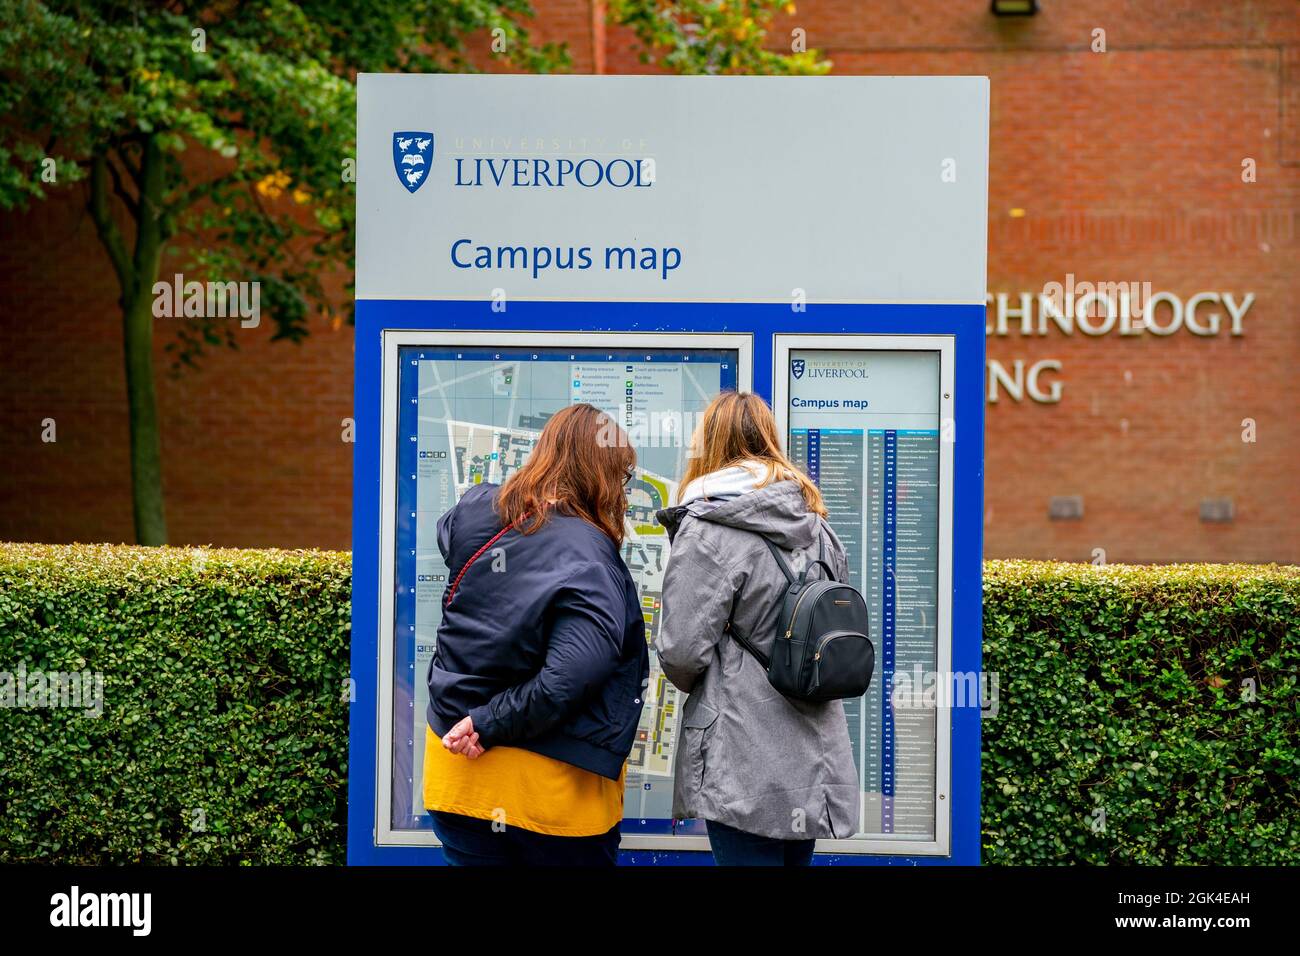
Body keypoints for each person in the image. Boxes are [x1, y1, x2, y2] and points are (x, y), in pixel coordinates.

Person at [423, 403, 649, 866]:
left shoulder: (475, 510)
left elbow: (448, 534)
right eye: (622, 479)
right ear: (602, 477)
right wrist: (488, 723)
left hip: (456, 786)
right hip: (549, 802)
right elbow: (568, 679)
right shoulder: (590, 556)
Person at [655, 391, 860, 866]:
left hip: (742, 754)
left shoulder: (708, 528)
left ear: (707, 445)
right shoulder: (817, 526)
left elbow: (682, 651)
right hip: (813, 749)